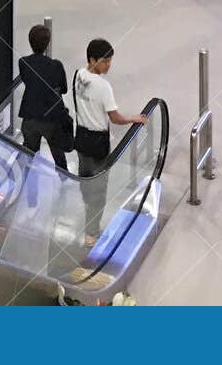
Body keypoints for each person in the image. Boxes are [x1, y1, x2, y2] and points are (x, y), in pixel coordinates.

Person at [71, 38, 147, 236]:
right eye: (105, 61)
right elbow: (115, 118)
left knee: (85, 180)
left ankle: (88, 213)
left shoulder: (78, 75)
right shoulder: (103, 86)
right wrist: (134, 118)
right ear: (92, 59)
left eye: (110, 60)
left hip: (80, 137)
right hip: (97, 143)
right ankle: (92, 232)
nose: (109, 65)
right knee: (99, 190)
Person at [18, 24, 69, 170]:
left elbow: (27, 80)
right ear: (48, 44)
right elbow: (63, 89)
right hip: (51, 117)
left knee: (28, 151)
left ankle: (21, 178)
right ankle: (64, 178)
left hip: (30, 115)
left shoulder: (23, 62)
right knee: (57, 152)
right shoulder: (56, 66)